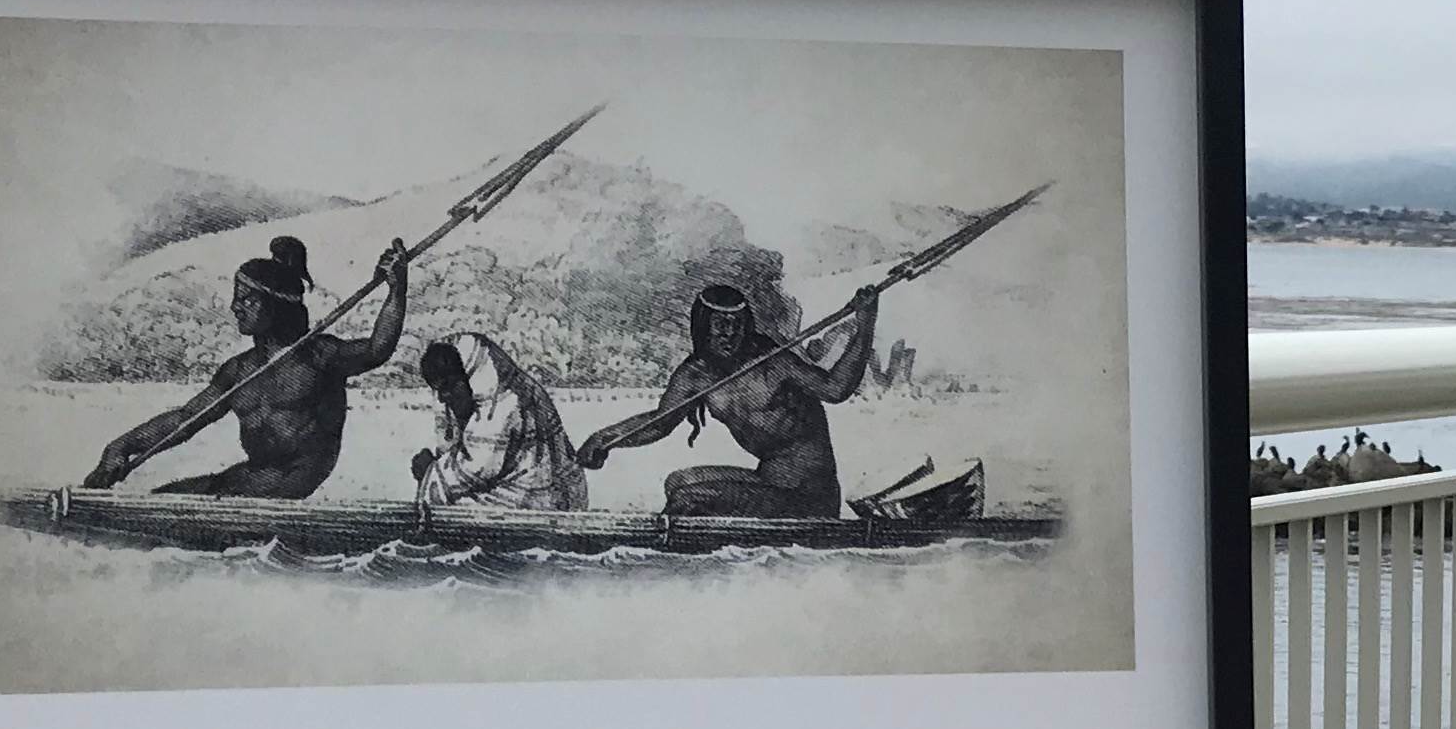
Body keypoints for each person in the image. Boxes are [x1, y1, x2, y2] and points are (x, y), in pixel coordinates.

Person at [87, 234, 413, 497]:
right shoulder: (238, 371)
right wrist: (122, 445)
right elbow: (188, 419)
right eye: (236, 298)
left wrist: (396, 289)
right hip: (256, 476)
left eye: (247, 299)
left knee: (210, 498)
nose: (234, 308)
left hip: (297, 480)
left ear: (276, 305)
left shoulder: (319, 356)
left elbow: (376, 349)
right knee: (166, 496)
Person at [576, 278, 878, 519]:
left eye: (736, 325)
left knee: (689, 499)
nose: (729, 334)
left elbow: (836, 390)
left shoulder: (770, 359)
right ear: (703, 325)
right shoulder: (695, 374)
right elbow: (659, 423)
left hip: (809, 497)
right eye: (720, 324)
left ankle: (662, 549)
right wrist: (605, 439)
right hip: (769, 484)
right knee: (678, 482)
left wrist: (865, 325)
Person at [412, 330, 582, 509]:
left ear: (471, 378)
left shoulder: (506, 404)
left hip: (543, 501)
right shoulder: (483, 401)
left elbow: (480, 466)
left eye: (449, 386)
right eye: (437, 390)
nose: (442, 398)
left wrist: (431, 472)